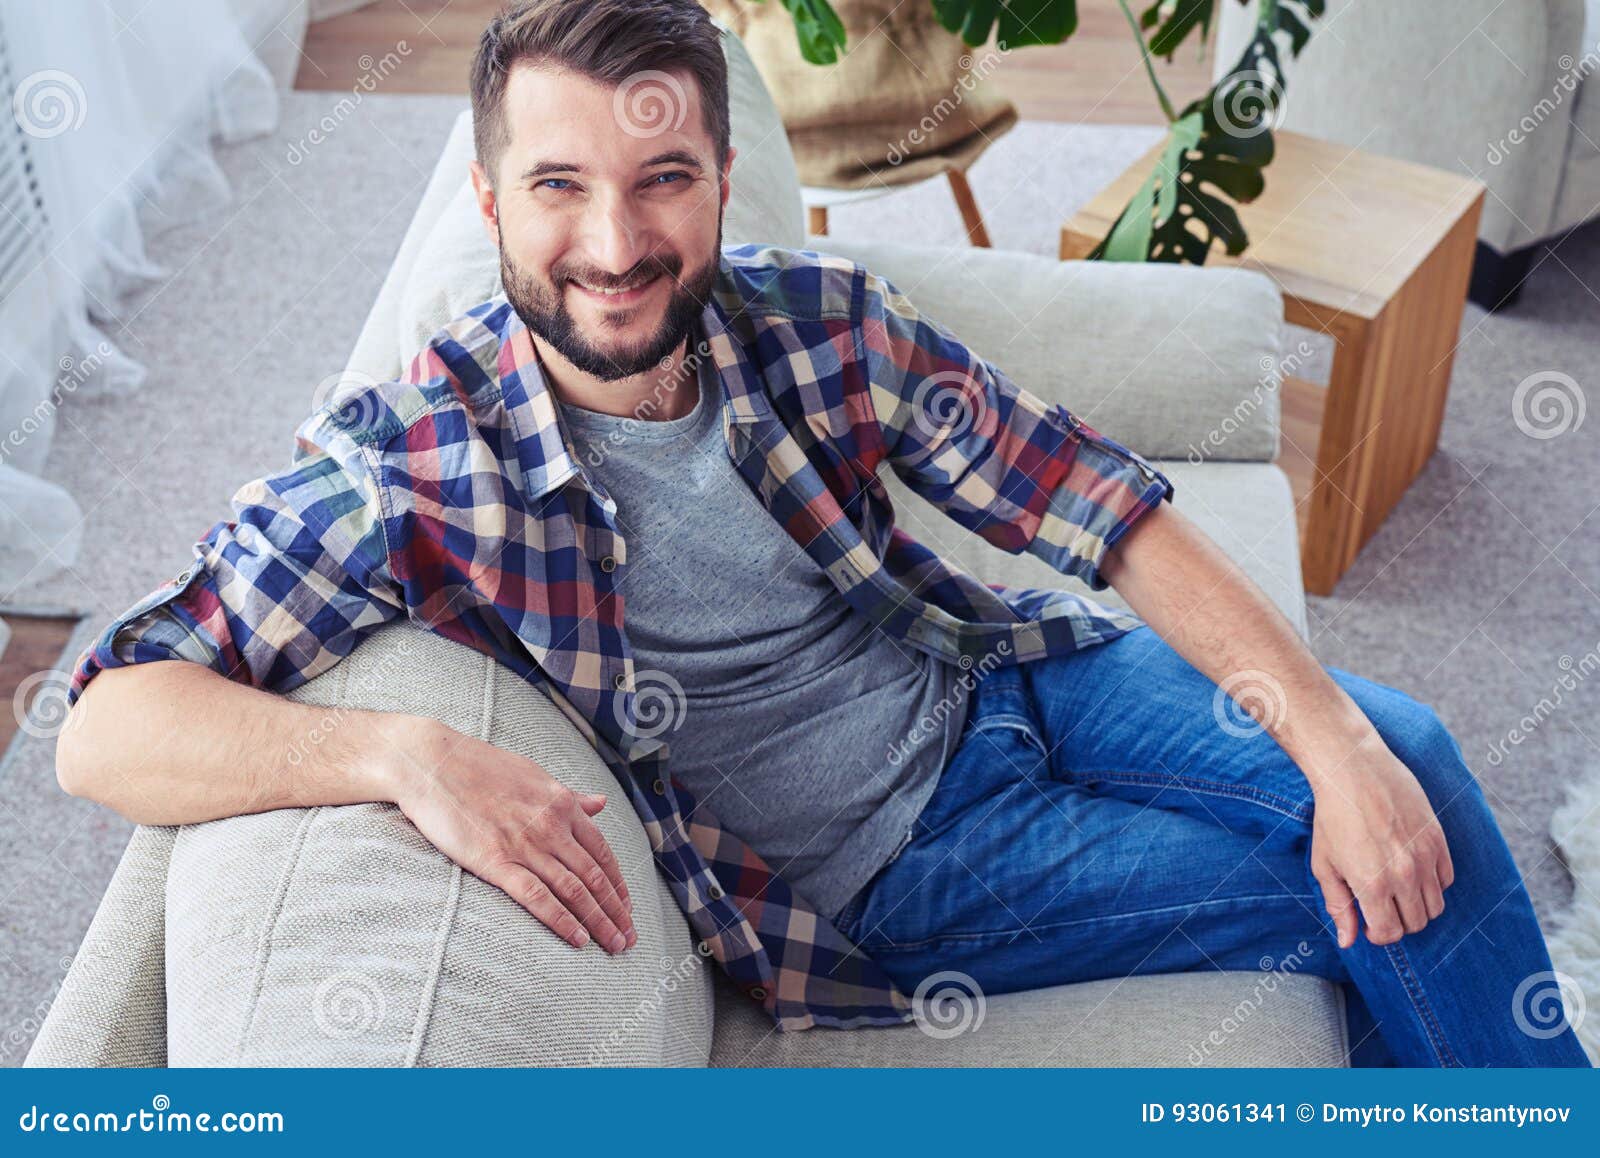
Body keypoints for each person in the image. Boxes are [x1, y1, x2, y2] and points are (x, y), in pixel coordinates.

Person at [55, 0, 1588, 1067]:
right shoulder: (414, 460)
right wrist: (397, 755)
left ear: (723, 180)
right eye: (559, 188)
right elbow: (104, 721)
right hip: (904, 866)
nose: (615, 245)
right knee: (1392, 870)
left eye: (664, 180)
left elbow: (1100, 505)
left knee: (1397, 762)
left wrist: (1324, 738)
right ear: (490, 196)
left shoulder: (811, 320)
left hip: (1011, 673)